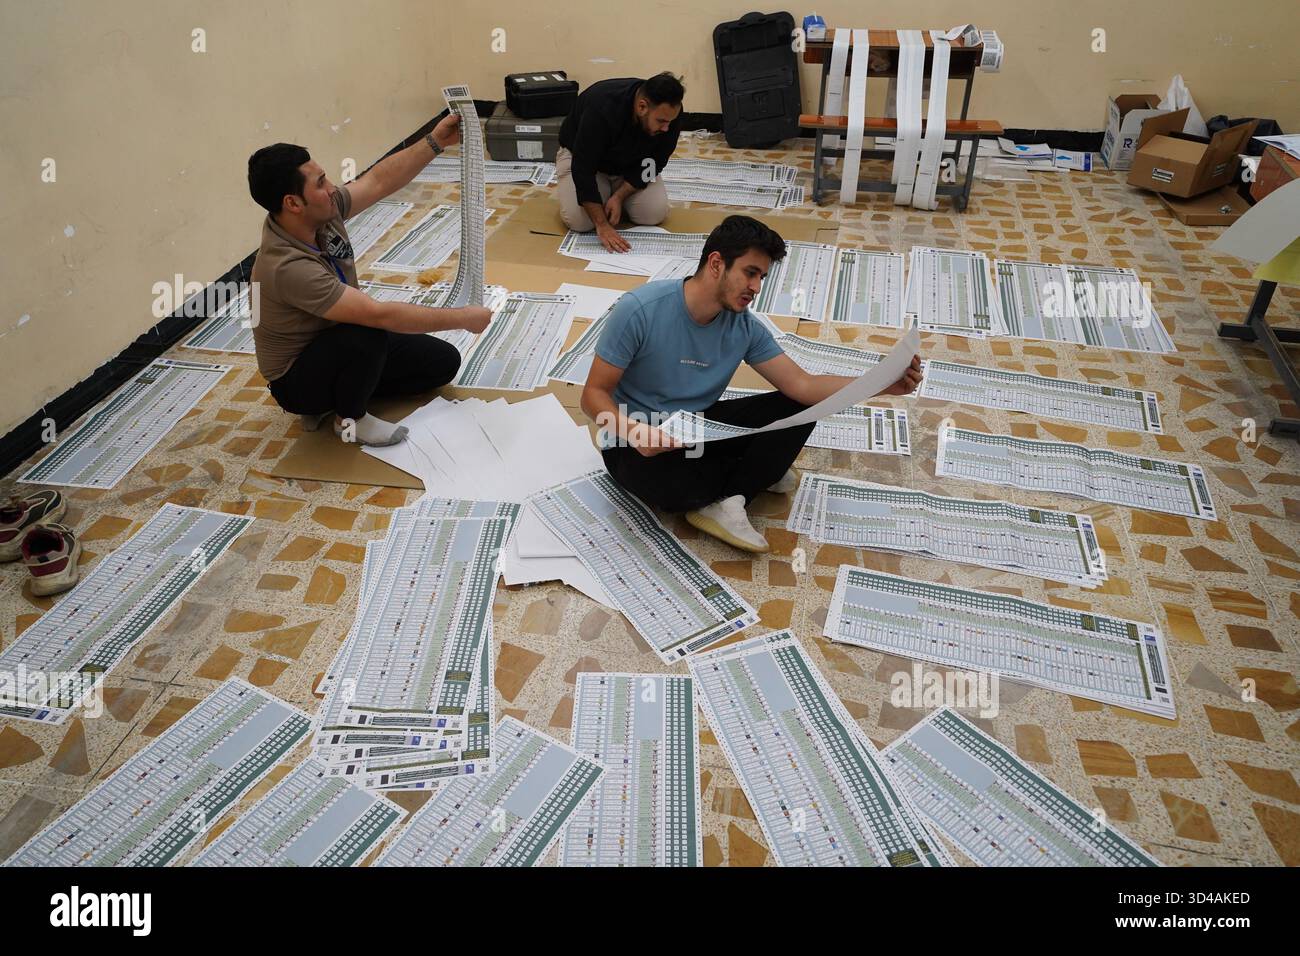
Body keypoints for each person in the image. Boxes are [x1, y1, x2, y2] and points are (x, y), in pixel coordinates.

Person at [581, 215, 923, 553]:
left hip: (697, 426)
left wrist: (882, 384)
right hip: (635, 441)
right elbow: (593, 396)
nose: (756, 287)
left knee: (800, 407)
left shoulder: (742, 326)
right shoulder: (640, 310)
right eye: (750, 273)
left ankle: (731, 497)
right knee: (674, 491)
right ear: (716, 263)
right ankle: (747, 478)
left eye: (761, 276)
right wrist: (634, 432)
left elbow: (802, 385)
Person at [246, 111, 491, 447]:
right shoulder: (286, 266)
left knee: (441, 363)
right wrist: (462, 319)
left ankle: (338, 393)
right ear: (293, 203)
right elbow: (378, 315)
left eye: (325, 177)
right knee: (367, 329)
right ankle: (349, 419)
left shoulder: (321, 214)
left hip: (335, 342)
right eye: (319, 184)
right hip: (296, 379)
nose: (332, 188)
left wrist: (436, 141)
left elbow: (377, 181)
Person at [556, 73, 684, 252]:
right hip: (586, 161)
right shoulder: (601, 106)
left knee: (653, 213)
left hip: (629, 165)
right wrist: (602, 225)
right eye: (661, 121)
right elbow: (583, 168)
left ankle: (611, 197)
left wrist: (620, 195)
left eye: (669, 122)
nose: (666, 128)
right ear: (642, 107)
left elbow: (656, 161)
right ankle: (600, 199)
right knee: (580, 222)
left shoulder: (669, 114)